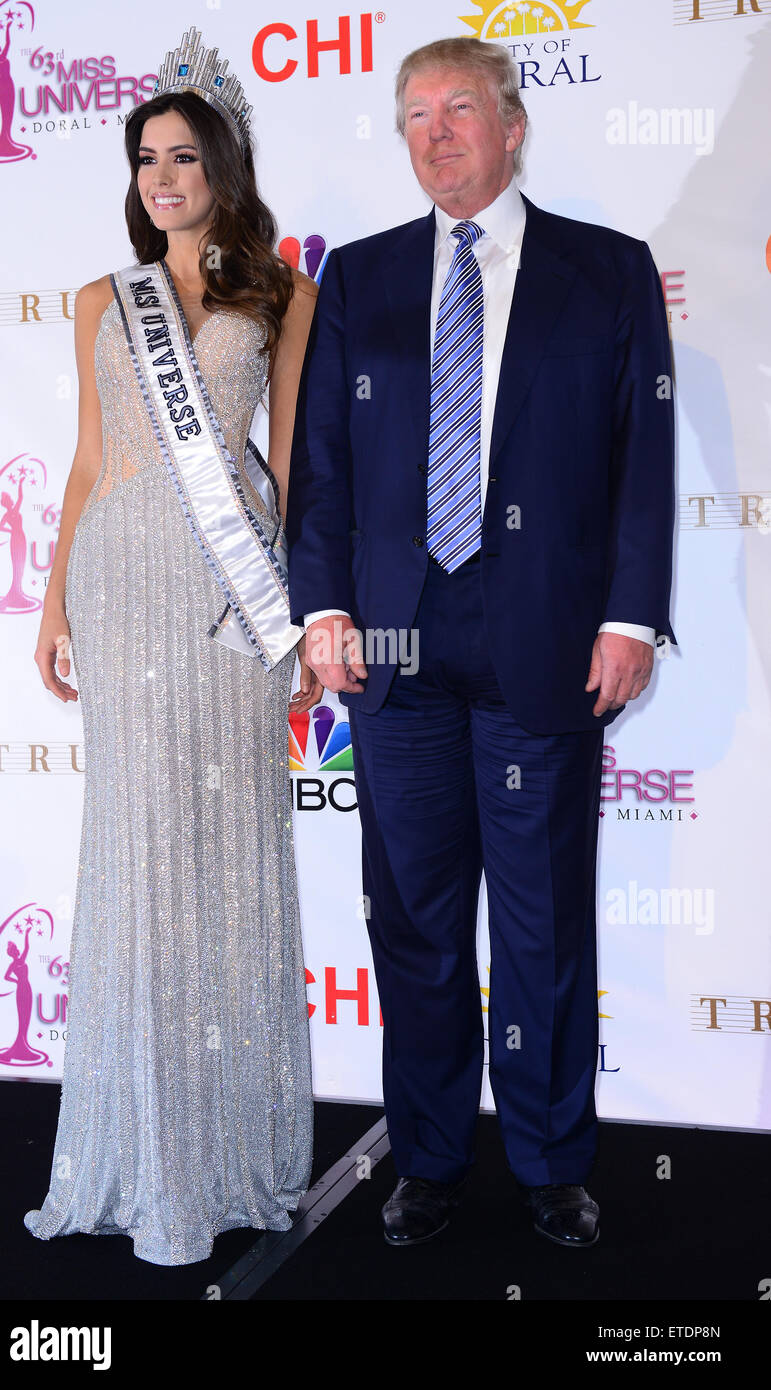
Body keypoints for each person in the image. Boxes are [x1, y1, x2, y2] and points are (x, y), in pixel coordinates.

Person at [287, 35, 675, 1249]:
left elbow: (640, 465)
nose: (436, 132)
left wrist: (628, 614)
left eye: (459, 108)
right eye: (413, 115)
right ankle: (433, 1155)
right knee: (410, 923)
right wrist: (323, 607)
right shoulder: (359, 278)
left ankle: (554, 1160)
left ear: (514, 124)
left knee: (545, 918)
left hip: (546, 649)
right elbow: (325, 466)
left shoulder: (606, 272)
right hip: (395, 657)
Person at [24, 28, 321, 1266]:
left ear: (223, 167)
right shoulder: (105, 299)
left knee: (226, 849)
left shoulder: (282, 296)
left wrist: (312, 611)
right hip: (124, 585)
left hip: (227, 600)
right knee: (138, 850)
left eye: (183, 154)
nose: (162, 175)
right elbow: (93, 461)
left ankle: (230, 1149)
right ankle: (135, 1146)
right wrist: (51, 600)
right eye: (146, 157)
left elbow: (298, 470)